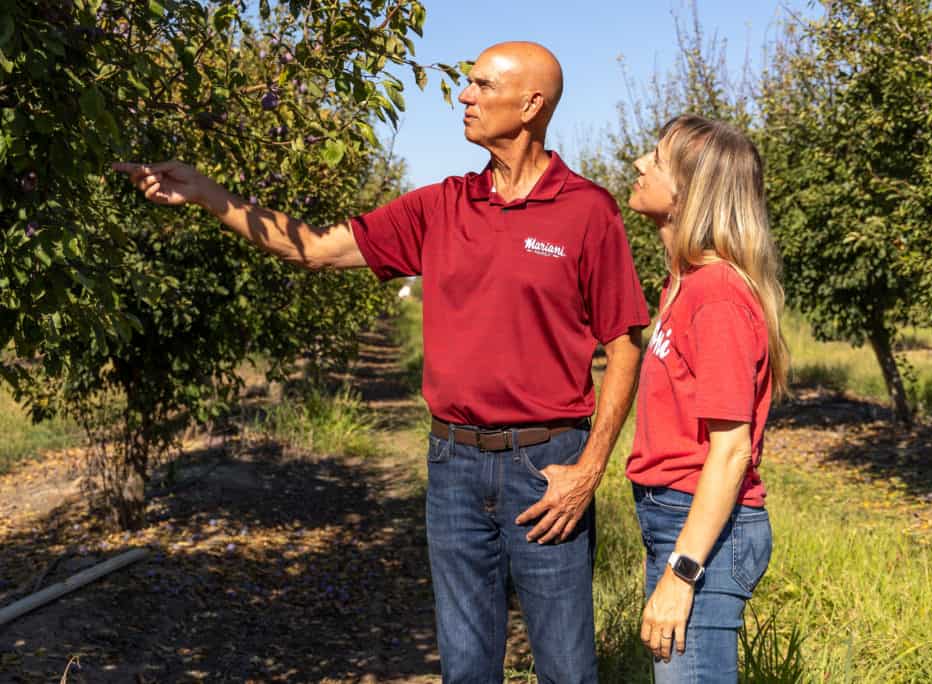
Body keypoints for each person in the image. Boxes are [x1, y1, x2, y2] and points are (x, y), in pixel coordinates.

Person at [114, 41, 649, 684]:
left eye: (481, 85)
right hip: (453, 465)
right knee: (466, 667)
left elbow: (624, 346)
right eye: (467, 84)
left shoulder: (586, 210)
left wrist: (589, 469)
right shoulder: (440, 206)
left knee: (565, 666)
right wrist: (208, 194)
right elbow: (312, 249)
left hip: (547, 466)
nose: (465, 95)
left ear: (531, 103)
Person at [624, 114, 789, 683]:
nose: (640, 164)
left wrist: (682, 572)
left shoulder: (716, 296)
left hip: (703, 530)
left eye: (657, 158)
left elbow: (731, 452)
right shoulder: (683, 284)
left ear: (691, 191)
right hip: (676, 516)